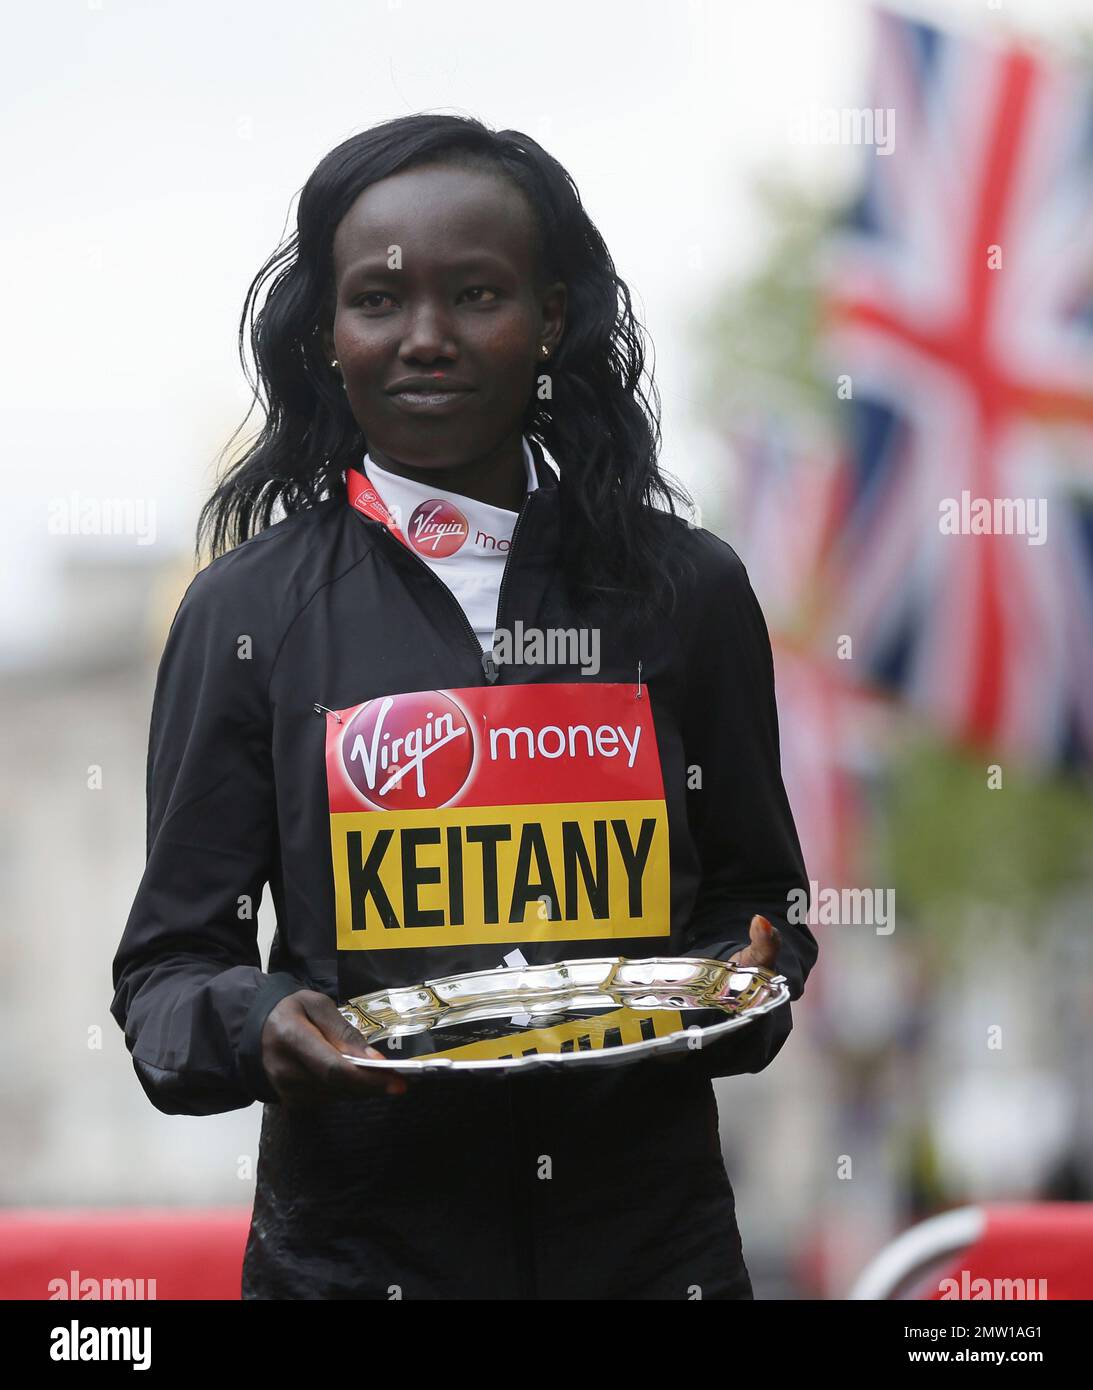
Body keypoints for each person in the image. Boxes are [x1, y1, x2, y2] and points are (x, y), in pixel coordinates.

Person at [110, 113, 817, 1300]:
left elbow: (760, 907)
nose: (425, 338)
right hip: (352, 1265)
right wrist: (261, 1021)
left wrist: (745, 986)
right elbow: (167, 978)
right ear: (328, 334)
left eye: (477, 294)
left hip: (647, 1259)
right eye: (378, 303)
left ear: (548, 319)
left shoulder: (688, 591)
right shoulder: (246, 613)